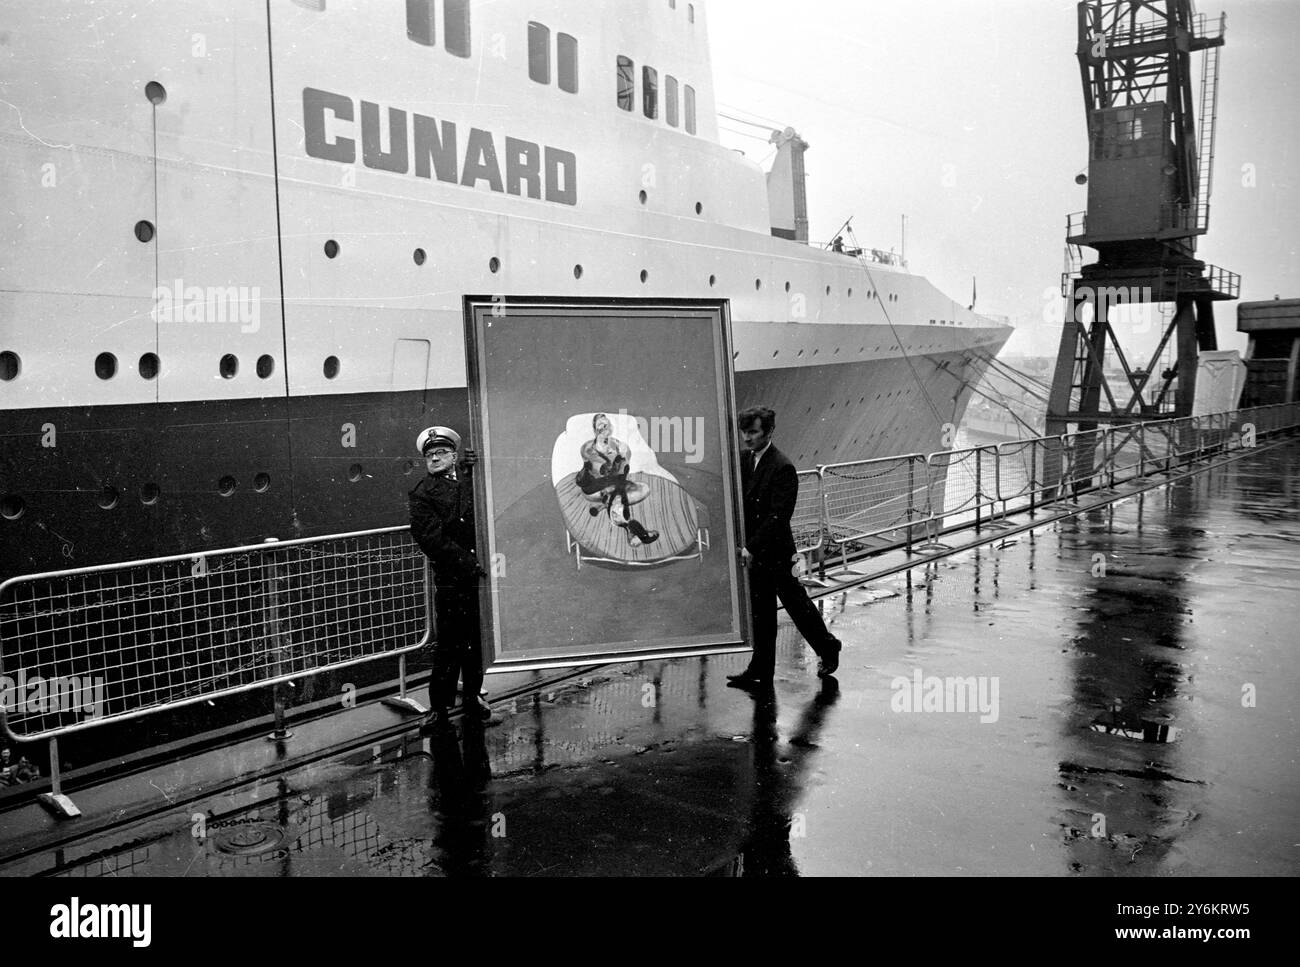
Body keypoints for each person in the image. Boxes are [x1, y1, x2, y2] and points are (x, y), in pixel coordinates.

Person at [728, 405, 842, 689]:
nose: (747, 438)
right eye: (744, 432)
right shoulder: (743, 460)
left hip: (778, 552)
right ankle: (761, 668)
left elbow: (779, 517)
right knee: (761, 611)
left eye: (752, 432)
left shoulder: (782, 467)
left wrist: (750, 547)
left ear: (769, 432)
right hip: (755, 551)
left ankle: (828, 647)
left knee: (796, 604)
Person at [409, 425, 494, 732]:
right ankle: (439, 708)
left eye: (441, 452)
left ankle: (472, 696)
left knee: (474, 641)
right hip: (453, 576)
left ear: (454, 455)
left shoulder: (471, 478)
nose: (435, 458)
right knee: (448, 644)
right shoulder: (422, 493)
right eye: (430, 454)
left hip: (476, 575)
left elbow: (481, 507)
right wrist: (469, 562)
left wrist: (475, 468)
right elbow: (431, 540)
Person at [575, 413, 659, 547]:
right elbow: (601, 469)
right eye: (600, 424)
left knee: (643, 488)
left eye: (606, 423)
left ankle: (614, 513)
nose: (604, 426)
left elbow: (625, 463)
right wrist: (618, 459)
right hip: (594, 487)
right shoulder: (588, 447)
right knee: (617, 484)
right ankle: (637, 531)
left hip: (613, 484)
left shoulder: (617, 444)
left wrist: (624, 454)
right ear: (594, 429)